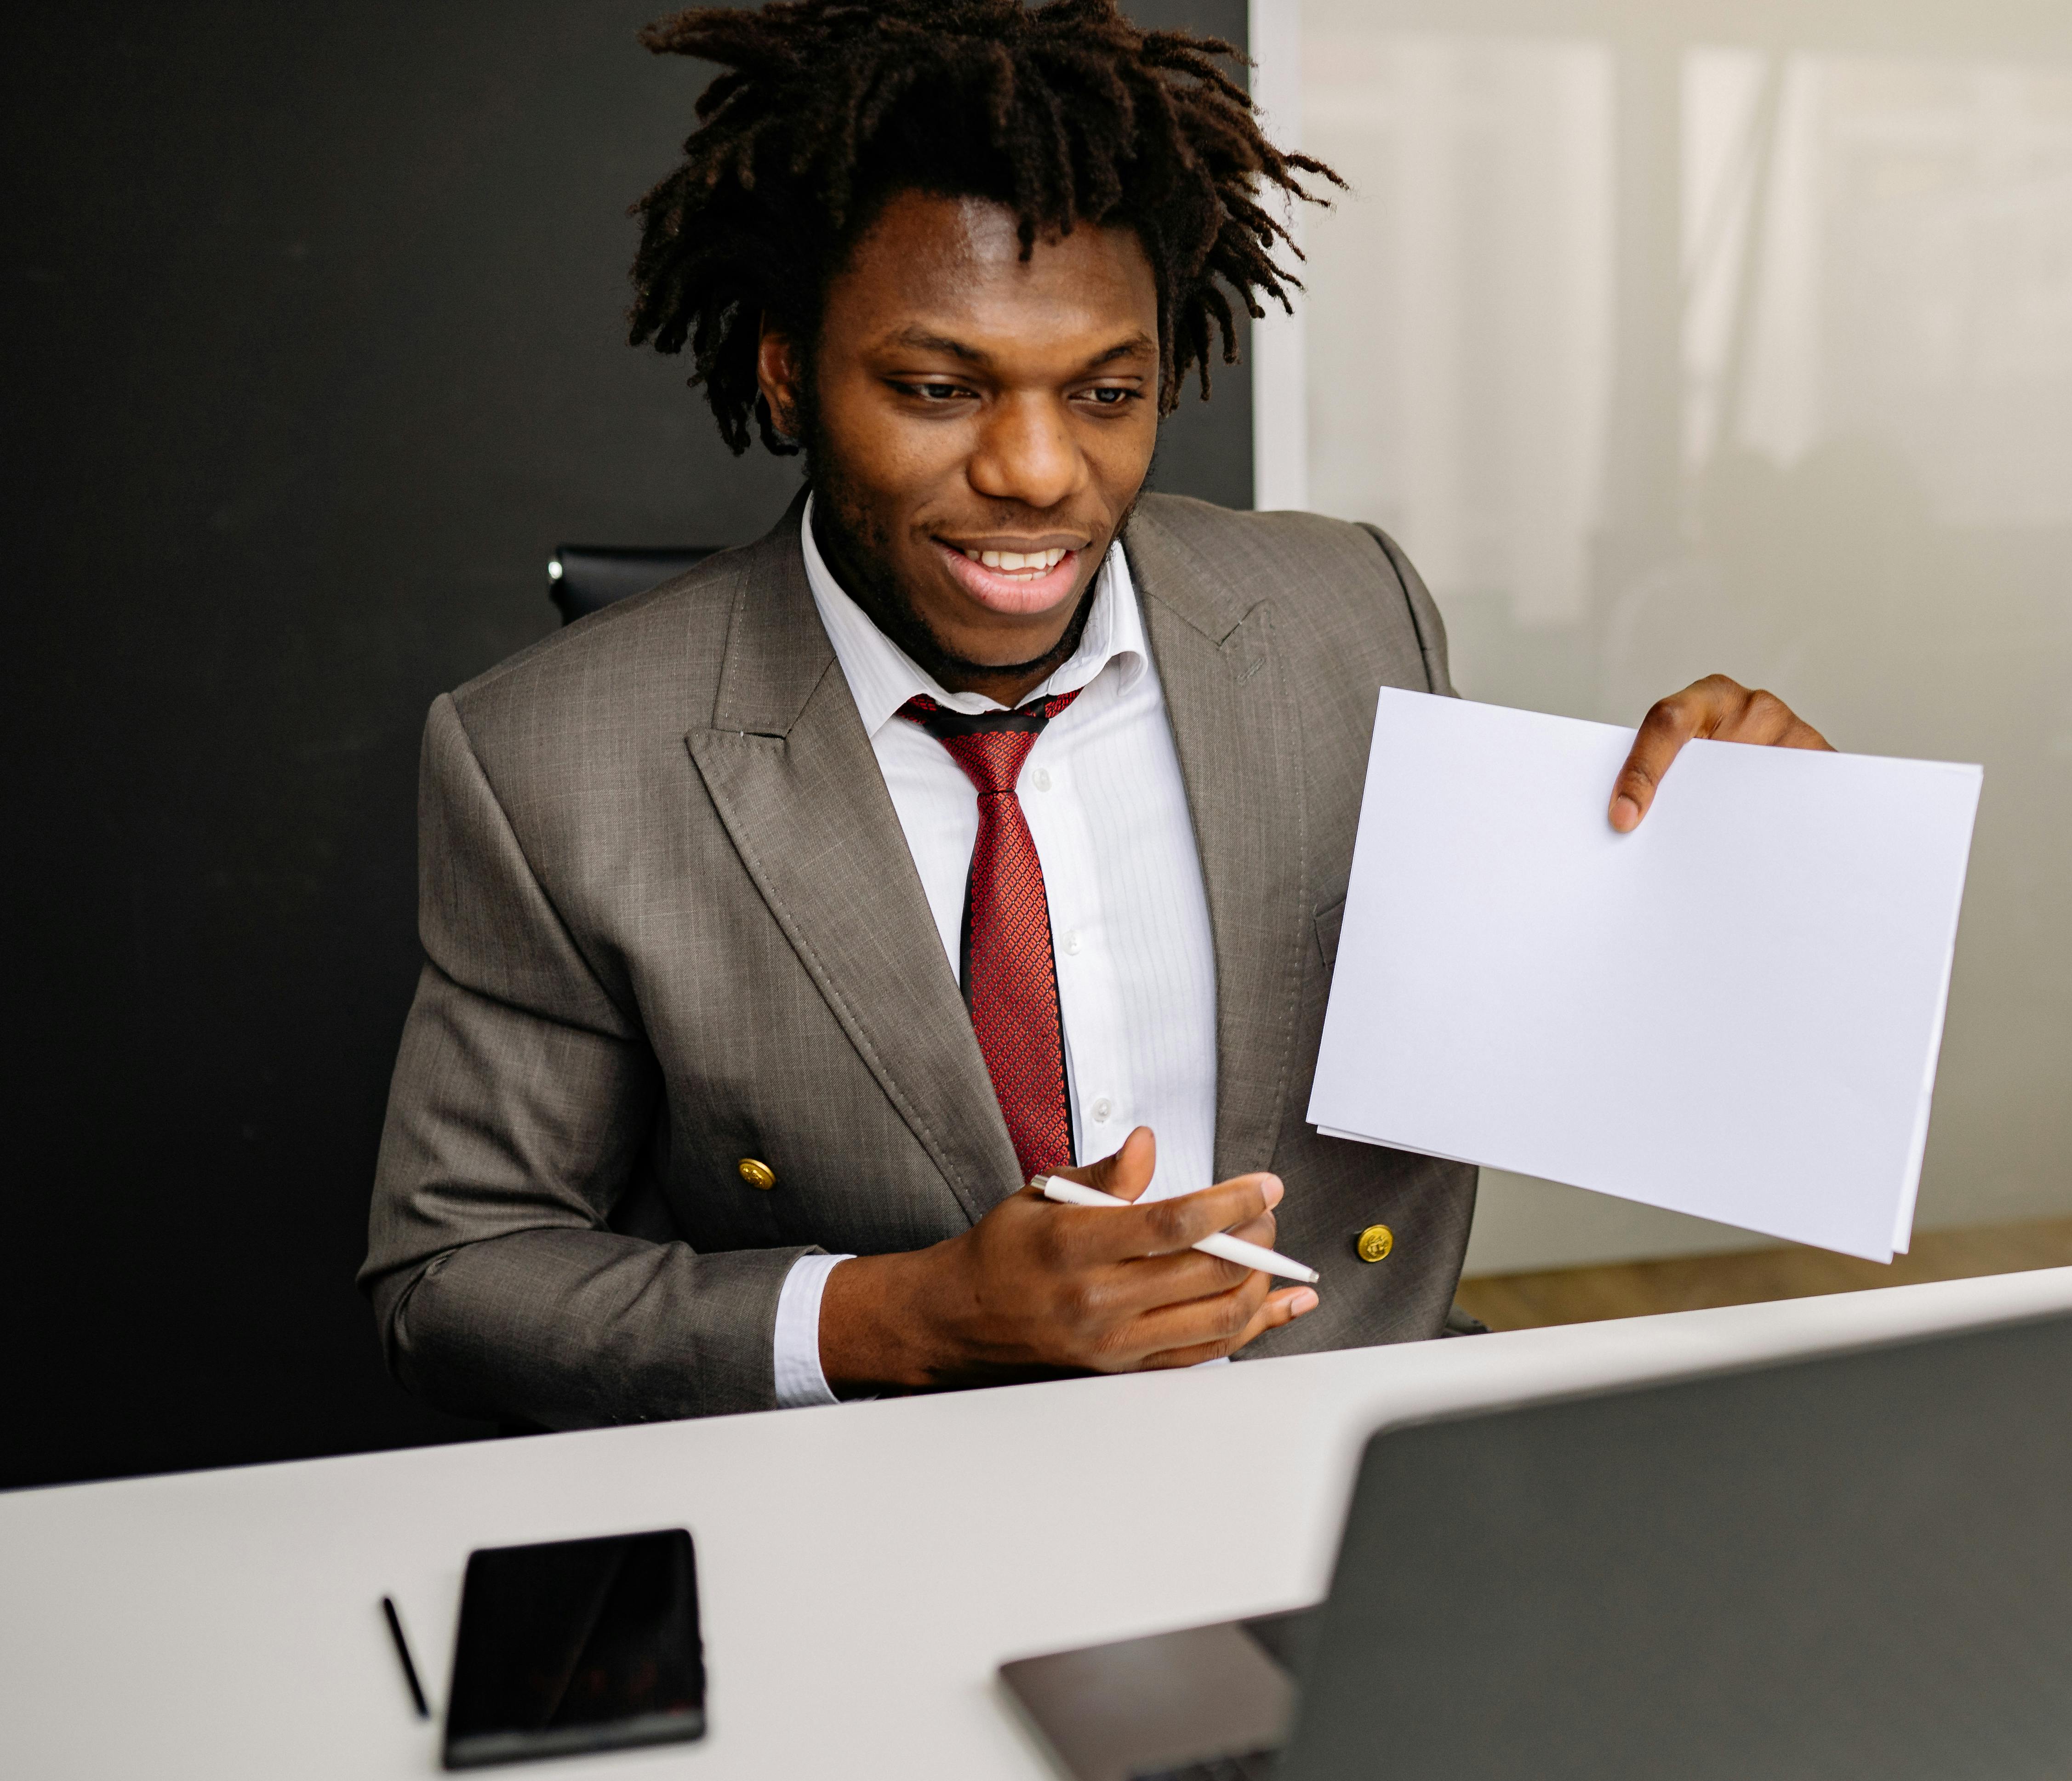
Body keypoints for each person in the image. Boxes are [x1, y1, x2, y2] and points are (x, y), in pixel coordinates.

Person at [360, 0, 1829, 1429]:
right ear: (786, 369)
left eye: (1108, 391)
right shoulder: (549, 759)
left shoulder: (1344, 609)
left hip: (1356, 1467)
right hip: (883, 1520)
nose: (1039, 470)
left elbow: (1507, 1028)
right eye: (942, 386)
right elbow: (456, 1275)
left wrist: (1731, 859)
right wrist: (910, 1314)